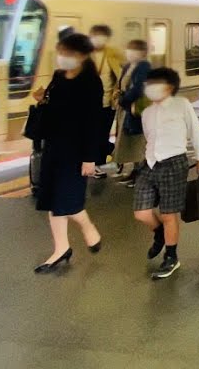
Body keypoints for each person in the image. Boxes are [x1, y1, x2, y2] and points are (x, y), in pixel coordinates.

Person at [32, 33, 106, 274]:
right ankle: (60, 248)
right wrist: (43, 100)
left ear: (82, 55)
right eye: (60, 51)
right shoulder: (58, 76)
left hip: (76, 150)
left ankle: (89, 229)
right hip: (54, 145)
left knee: (69, 201)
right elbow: (54, 109)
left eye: (67, 53)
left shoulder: (91, 82)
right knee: (55, 199)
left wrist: (90, 157)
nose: (61, 57)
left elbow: (93, 121)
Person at [133, 67, 199, 280]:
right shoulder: (147, 112)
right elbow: (149, 137)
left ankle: (171, 257)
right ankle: (158, 233)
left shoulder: (182, 105)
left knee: (168, 214)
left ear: (170, 86)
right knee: (142, 212)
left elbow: (195, 130)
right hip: (149, 164)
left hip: (174, 162)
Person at [113, 39, 151, 184]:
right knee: (130, 141)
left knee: (138, 141)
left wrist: (123, 100)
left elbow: (138, 89)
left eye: (133, 50)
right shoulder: (128, 65)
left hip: (137, 110)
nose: (128, 53)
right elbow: (122, 83)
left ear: (141, 53)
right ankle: (134, 172)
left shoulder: (144, 66)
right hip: (127, 109)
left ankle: (141, 175)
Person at [88, 25, 124, 179]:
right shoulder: (84, 54)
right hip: (89, 103)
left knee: (103, 134)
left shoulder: (113, 53)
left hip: (108, 102)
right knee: (92, 134)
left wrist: (118, 90)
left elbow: (123, 71)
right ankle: (95, 163)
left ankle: (100, 162)